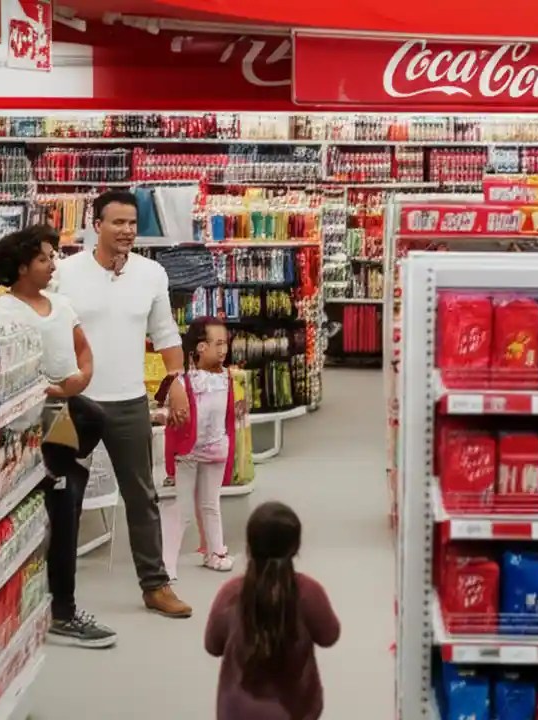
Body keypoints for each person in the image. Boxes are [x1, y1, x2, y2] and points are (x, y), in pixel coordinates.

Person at [54, 189, 193, 618]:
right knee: (64, 496)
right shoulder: (64, 272)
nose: (127, 230)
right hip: (76, 402)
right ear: (96, 225)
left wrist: (176, 380)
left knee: (142, 496)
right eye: (118, 222)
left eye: (132, 223)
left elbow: (165, 331)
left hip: (130, 400)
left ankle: (156, 585)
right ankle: (53, 592)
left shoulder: (152, 274)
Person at [0, 225, 117, 648]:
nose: (53, 264)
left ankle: (60, 607)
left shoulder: (60, 304)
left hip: (67, 419)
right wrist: (47, 389)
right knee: (59, 513)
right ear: (22, 267)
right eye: (44, 258)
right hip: (30, 429)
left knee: (68, 509)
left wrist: (80, 379)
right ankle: (62, 611)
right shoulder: (1, 315)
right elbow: (1, 375)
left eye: (52, 256)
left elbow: (83, 350)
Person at [205, 502, 341, 720]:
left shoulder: (230, 594)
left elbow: (212, 646)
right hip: (296, 711)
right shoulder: (309, 593)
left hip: (237, 711)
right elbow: (329, 636)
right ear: (296, 547)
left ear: (249, 546)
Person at [157, 316, 240, 581]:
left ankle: (215, 551)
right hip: (188, 452)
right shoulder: (183, 382)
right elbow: (166, 409)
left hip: (216, 449)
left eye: (225, 343)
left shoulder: (227, 377)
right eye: (218, 343)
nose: (224, 349)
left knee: (211, 504)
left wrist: (231, 444)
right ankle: (167, 563)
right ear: (201, 348)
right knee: (182, 510)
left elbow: (229, 415)